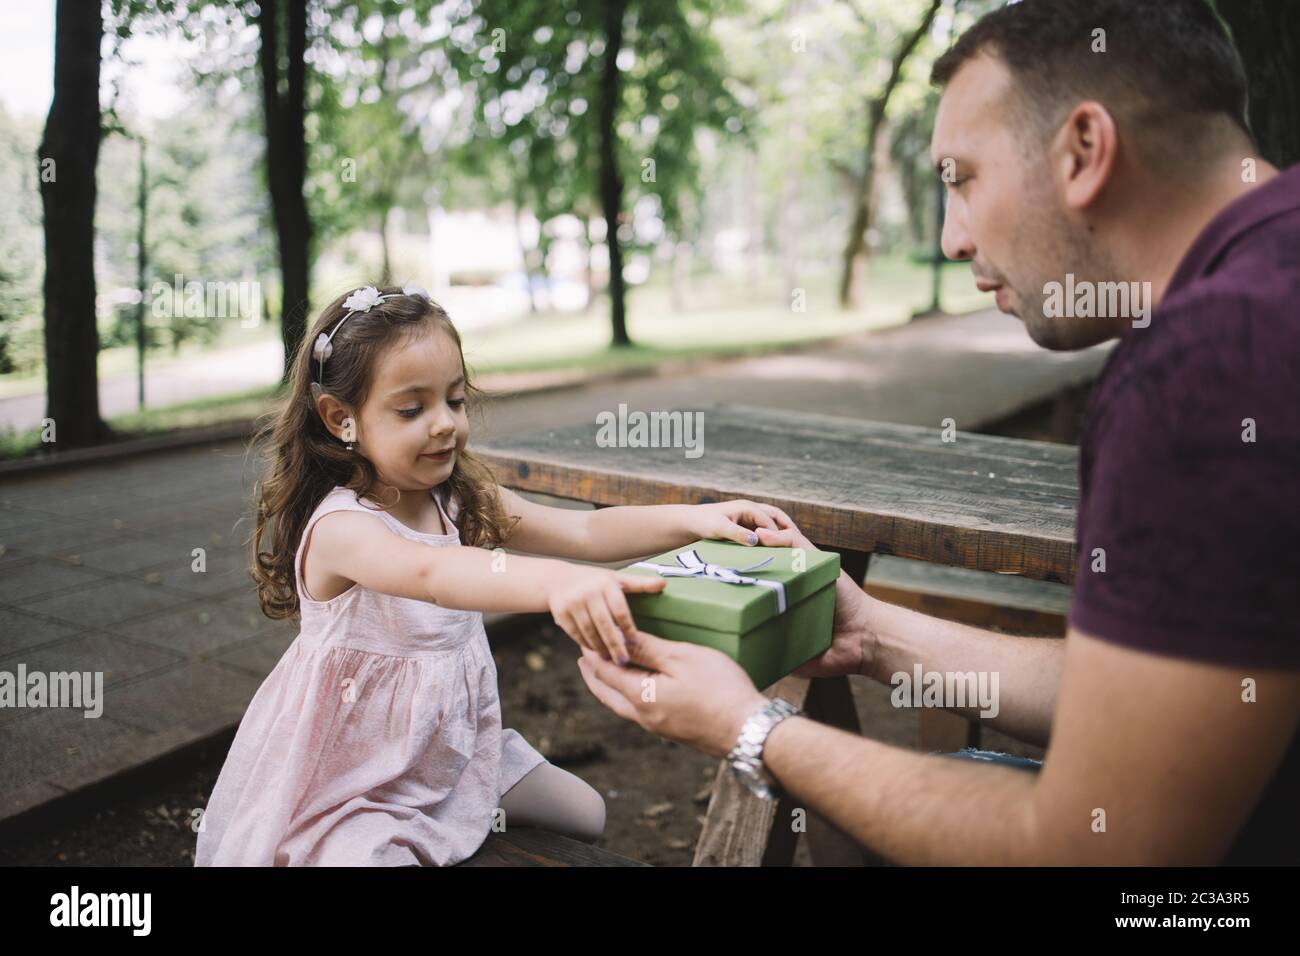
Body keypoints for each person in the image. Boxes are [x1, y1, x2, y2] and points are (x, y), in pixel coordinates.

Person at [578, 0, 1300, 865]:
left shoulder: (1199, 370)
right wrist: (875, 632)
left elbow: (1093, 851)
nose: (954, 240)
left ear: (1083, 150)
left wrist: (750, 728)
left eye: (960, 177)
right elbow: (1161, 691)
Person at [193, 283, 794, 866]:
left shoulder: (454, 499)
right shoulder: (342, 529)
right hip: (352, 782)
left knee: (585, 814)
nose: (444, 424)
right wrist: (557, 584)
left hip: (448, 755)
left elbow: (584, 533)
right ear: (339, 417)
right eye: (412, 408)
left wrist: (694, 518)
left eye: (454, 400)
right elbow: (431, 571)